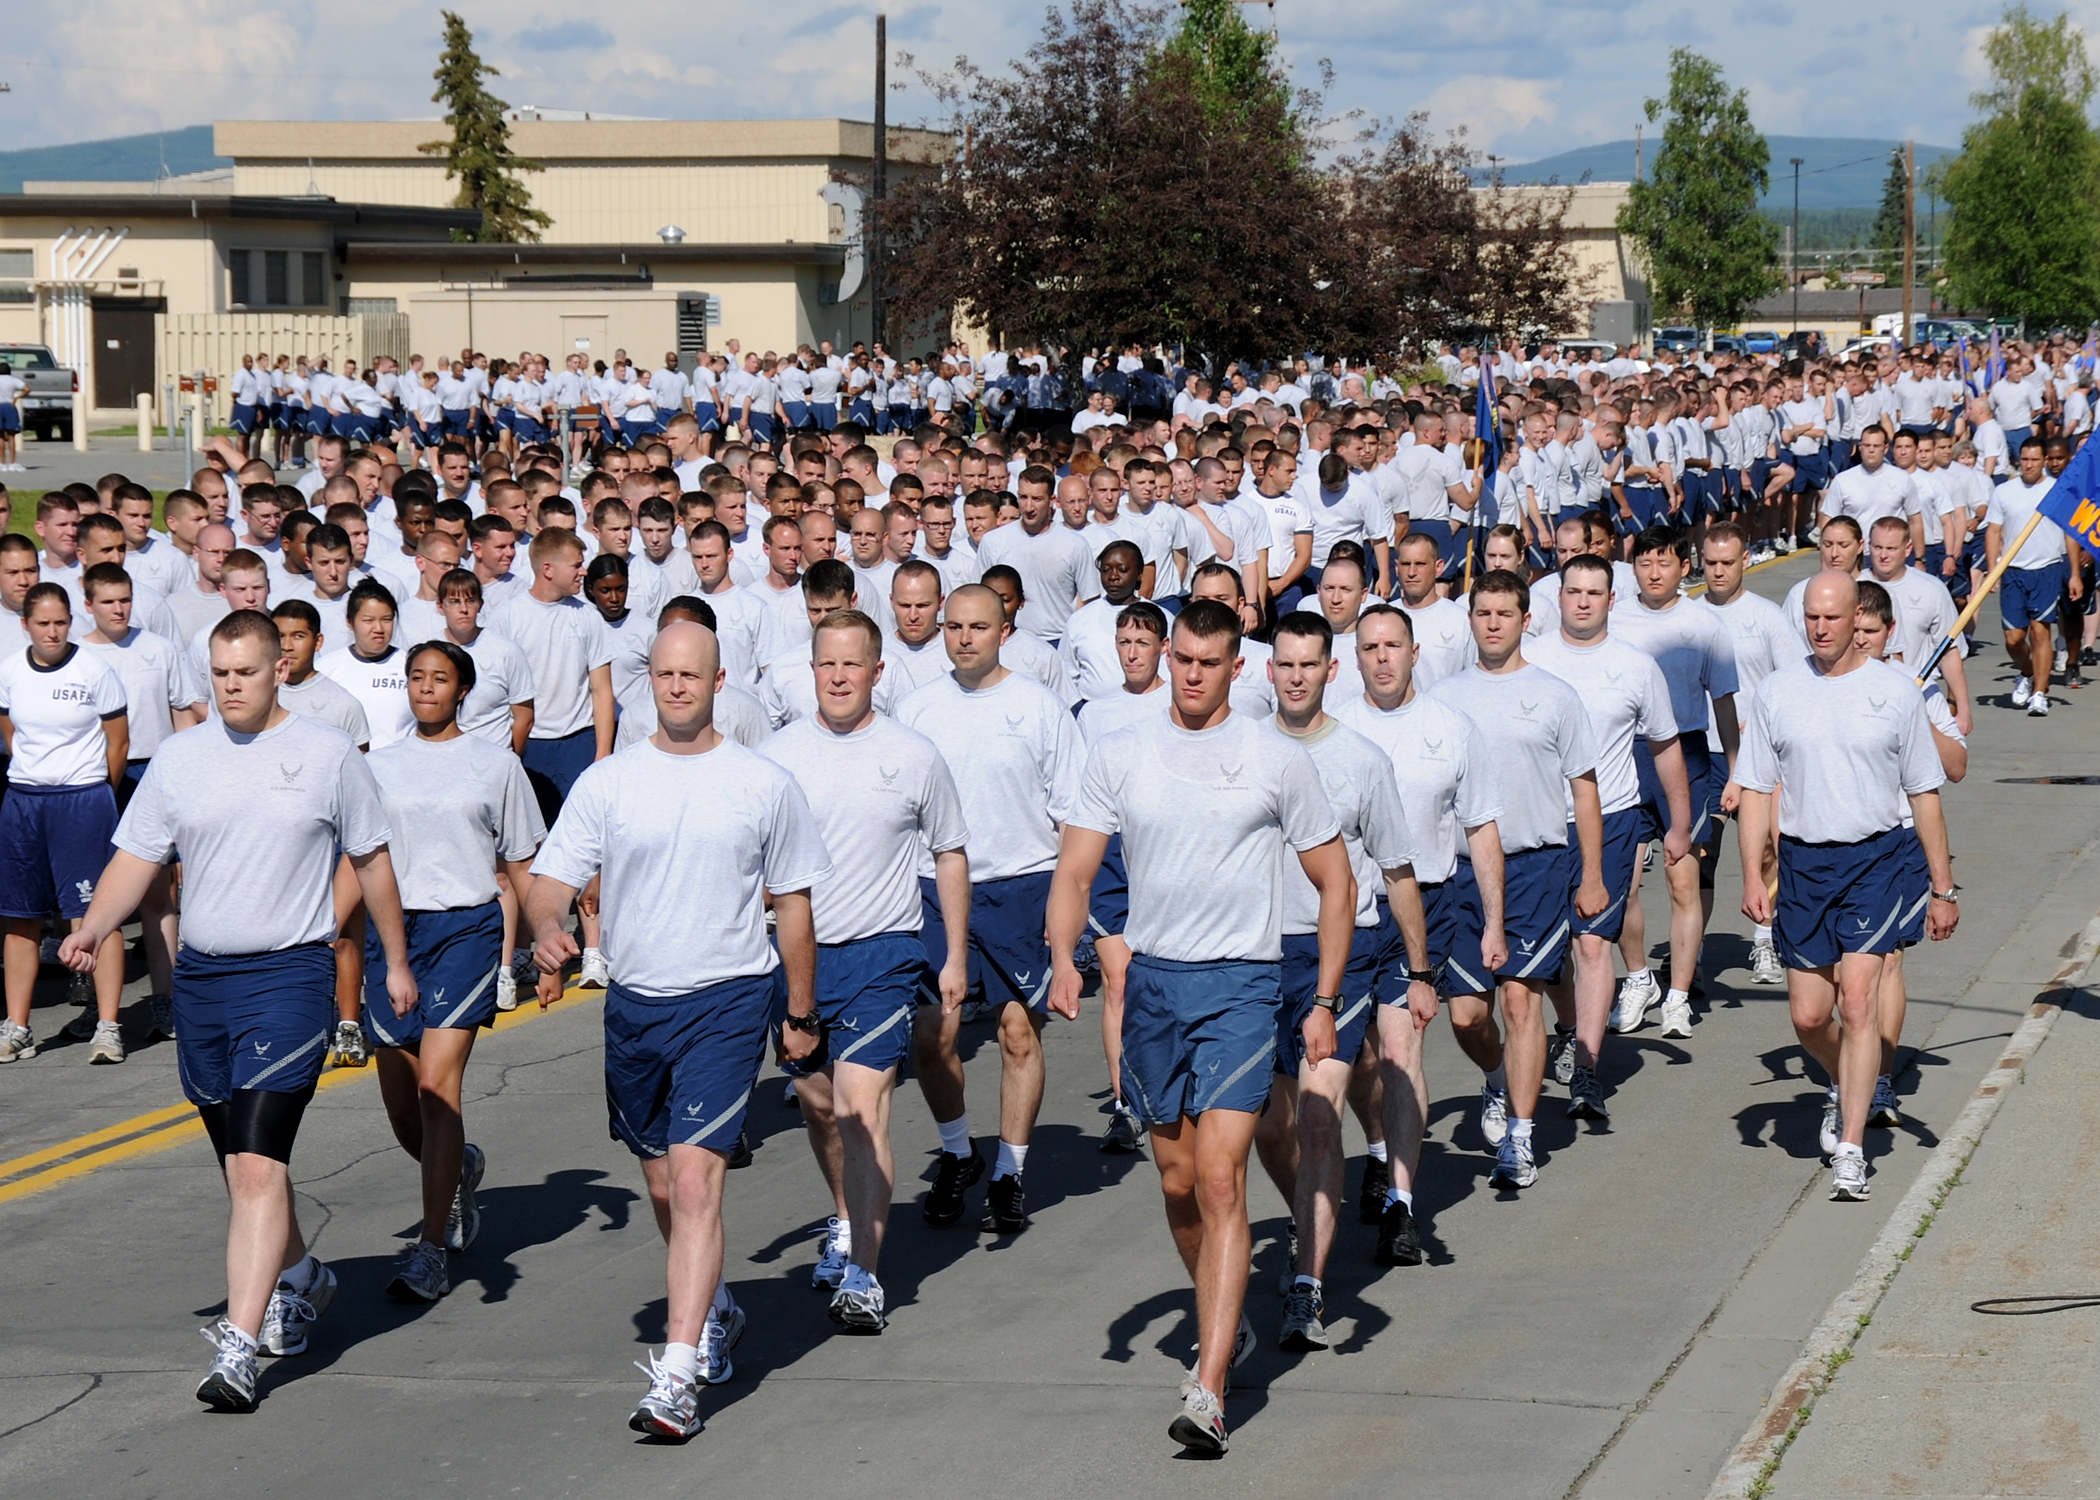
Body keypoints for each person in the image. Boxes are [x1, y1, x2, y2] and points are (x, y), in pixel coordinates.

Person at [59, 609, 415, 1410]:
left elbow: (374, 861)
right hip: (204, 984)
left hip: (289, 977)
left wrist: (394, 960)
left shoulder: (326, 755)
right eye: (219, 674)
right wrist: (92, 926)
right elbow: (135, 857)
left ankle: (240, 1348)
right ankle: (300, 1274)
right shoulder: (181, 759)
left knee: (257, 1164)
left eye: (245, 672)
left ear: (278, 669)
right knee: (240, 1164)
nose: (230, 686)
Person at [1045, 599, 1354, 1454]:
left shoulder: (1274, 760)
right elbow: (1075, 869)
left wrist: (1323, 999)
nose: (1187, 673)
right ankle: (1223, 1317)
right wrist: (1066, 956)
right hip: (1154, 986)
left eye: (1206, 661)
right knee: (1178, 1183)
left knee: (1221, 1180)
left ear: (1235, 668)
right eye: (1179, 657)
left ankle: (1209, 1386)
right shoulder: (1120, 751)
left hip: (1244, 989)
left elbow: (1336, 884)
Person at [526, 621, 832, 1439]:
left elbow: (795, 906)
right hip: (635, 1006)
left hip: (727, 1001)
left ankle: (678, 1372)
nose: (676, 687)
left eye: (690, 675)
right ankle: (718, 1307)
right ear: (649, 681)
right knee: (661, 1184)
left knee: (697, 1183)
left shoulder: (762, 783)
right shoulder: (610, 782)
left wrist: (799, 1014)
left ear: (719, 679)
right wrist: (548, 926)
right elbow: (550, 880)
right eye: (662, 674)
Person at [760, 608, 970, 1331]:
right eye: (827, 664)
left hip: (884, 952)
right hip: (800, 965)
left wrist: (955, 954)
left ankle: (865, 1277)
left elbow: (949, 852)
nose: (839, 676)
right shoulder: (777, 755)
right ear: (811, 670)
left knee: (858, 1107)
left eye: (853, 665)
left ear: (877, 673)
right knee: (820, 1108)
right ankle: (846, 1220)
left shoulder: (913, 754)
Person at [1732, 572, 1957, 1200]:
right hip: (1804, 867)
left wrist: (1943, 887)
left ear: (1857, 616)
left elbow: (1925, 794)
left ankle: (1852, 1149)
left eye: (1832, 618)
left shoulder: (1896, 692)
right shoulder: (1777, 692)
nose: (1821, 629)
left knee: (1858, 1003)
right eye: (1811, 618)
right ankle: (1845, 1080)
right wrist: (1753, 874)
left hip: (1878, 862)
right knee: (1809, 1017)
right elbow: (1754, 790)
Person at [1254, 610, 1436, 1354]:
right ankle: (1311, 1208)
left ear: (1332, 671)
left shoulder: (1363, 761)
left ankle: (1307, 1287)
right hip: (1256, 956)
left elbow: (1397, 873)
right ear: (1269, 670)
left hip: (1344, 954)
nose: (1296, 676)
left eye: (1309, 664)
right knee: (1271, 1123)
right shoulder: (1240, 752)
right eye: (1284, 664)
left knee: (1320, 1112)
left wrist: (1420, 971)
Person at [894, 583, 1084, 1233]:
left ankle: (1009, 1169)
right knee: (931, 1035)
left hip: (1020, 888)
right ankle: (956, 1153)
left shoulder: (1039, 707)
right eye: (954, 627)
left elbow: (1072, 817)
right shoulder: (916, 709)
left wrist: (1066, 921)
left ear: (1006, 631)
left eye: (978, 626)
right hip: (931, 889)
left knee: (1015, 1033)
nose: (964, 637)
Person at [363, 640, 544, 1300]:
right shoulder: (376, 768)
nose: (426, 688)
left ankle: (431, 1246)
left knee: (439, 1088)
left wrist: (546, 940)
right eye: (416, 678)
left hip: (465, 929)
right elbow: (359, 862)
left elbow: (524, 862)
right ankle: (460, 1167)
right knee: (403, 1105)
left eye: (439, 678)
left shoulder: (495, 765)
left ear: (462, 689)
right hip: (393, 935)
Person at [1333, 605, 1504, 1264]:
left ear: (1414, 651)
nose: (1381, 658)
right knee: (1358, 1060)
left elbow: (1481, 828)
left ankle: (1401, 1205)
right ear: (1355, 657)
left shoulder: (1450, 729)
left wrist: (1491, 921)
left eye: (1392, 646)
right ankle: (1378, 1152)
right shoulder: (1335, 731)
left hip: (1429, 905)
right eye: (1370, 647)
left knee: (1406, 1052)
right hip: (1353, 910)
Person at [1428, 569, 1604, 1191]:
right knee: (1467, 1017)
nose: (1494, 622)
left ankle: (1521, 1140)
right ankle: (1497, 1078)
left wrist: (1592, 875)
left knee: (1519, 998)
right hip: (1462, 875)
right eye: (1483, 613)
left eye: (1505, 613)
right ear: (1470, 620)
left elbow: (1585, 789)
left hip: (1535, 866)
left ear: (1527, 619)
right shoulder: (1443, 698)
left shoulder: (1555, 695)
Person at [1527, 555, 1691, 1117]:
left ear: (1609, 601)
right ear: (1561, 596)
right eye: (1573, 591)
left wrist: (1679, 820)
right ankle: (1571, 1025)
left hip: (1614, 820)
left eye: (1594, 593)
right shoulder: (1531, 659)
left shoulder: (1636, 666)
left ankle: (1589, 1070)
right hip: (1539, 825)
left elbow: (1665, 744)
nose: (1582, 601)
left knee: (1592, 943)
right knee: (1547, 959)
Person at [1607, 528, 1740, 1038]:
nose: (1654, 572)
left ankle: (1679, 997)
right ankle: (1639, 979)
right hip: (1625, 755)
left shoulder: (1704, 626)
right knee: (1624, 884)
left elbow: (1724, 704)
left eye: (1664, 562)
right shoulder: (1612, 622)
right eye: (1644, 563)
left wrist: (1736, 772)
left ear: (1684, 567)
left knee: (1682, 879)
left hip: (1686, 756)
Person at [0, 584, 131, 1064]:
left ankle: (109, 1025)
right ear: (25, 625)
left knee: (95, 914)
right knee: (20, 915)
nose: (53, 632)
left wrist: (97, 793)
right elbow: (11, 732)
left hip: (83, 801)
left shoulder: (96, 670)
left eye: (60, 622)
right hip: (25, 803)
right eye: (42, 623)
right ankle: (17, 1027)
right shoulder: (10, 670)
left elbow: (117, 742)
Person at [81, 562, 207, 1040]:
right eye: (108, 601)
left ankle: (166, 999)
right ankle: (98, 1007)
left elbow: (183, 713)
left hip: (150, 772)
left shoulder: (158, 648)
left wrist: (186, 774)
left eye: (125, 599)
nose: (118, 609)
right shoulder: (81, 658)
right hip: (94, 778)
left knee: (159, 896)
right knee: (98, 897)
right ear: (89, 604)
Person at [492, 529, 615, 985]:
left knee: (590, 849)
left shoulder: (586, 618)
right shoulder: (507, 618)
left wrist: (602, 753)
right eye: (575, 564)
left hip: (579, 742)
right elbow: (503, 694)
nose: (582, 571)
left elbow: (602, 689)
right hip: (529, 748)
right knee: (528, 855)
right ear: (548, 569)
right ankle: (528, 949)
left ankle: (595, 950)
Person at [1074, 600, 1172, 1152]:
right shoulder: (1094, 713)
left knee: (1164, 978)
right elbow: (1080, 803)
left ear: (1162, 647)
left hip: (1165, 854)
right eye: (1124, 643)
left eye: (1142, 642)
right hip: (1110, 858)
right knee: (1119, 980)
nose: (1132, 653)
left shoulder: (1179, 703)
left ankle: (1169, 1083)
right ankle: (1124, 1103)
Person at [1692, 522, 1800, 986]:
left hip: (1759, 758)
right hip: (1704, 756)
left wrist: (1761, 725)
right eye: (1711, 563)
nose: (1718, 572)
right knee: (1699, 856)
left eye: (1727, 563)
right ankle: (1690, 955)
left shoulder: (1768, 617)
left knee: (1768, 852)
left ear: (1746, 561)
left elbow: (1795, 682)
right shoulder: (1688, 617)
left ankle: (1764, 940)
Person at [1984, 437, 2081, 718]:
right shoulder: (2004, 491)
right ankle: (2026, 673)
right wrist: (1993, 570)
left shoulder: (2057, 491)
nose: (2029, 465)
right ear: (2019, 460)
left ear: (2043, 461)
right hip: (2013, 572)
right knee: (2014, 638)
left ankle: (2040, 692)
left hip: (2047, 570)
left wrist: (2074, 573)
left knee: (2041, 633)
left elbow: (2070, 533)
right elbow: (1993, 531)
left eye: (2034, 460)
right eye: (2024, 459)